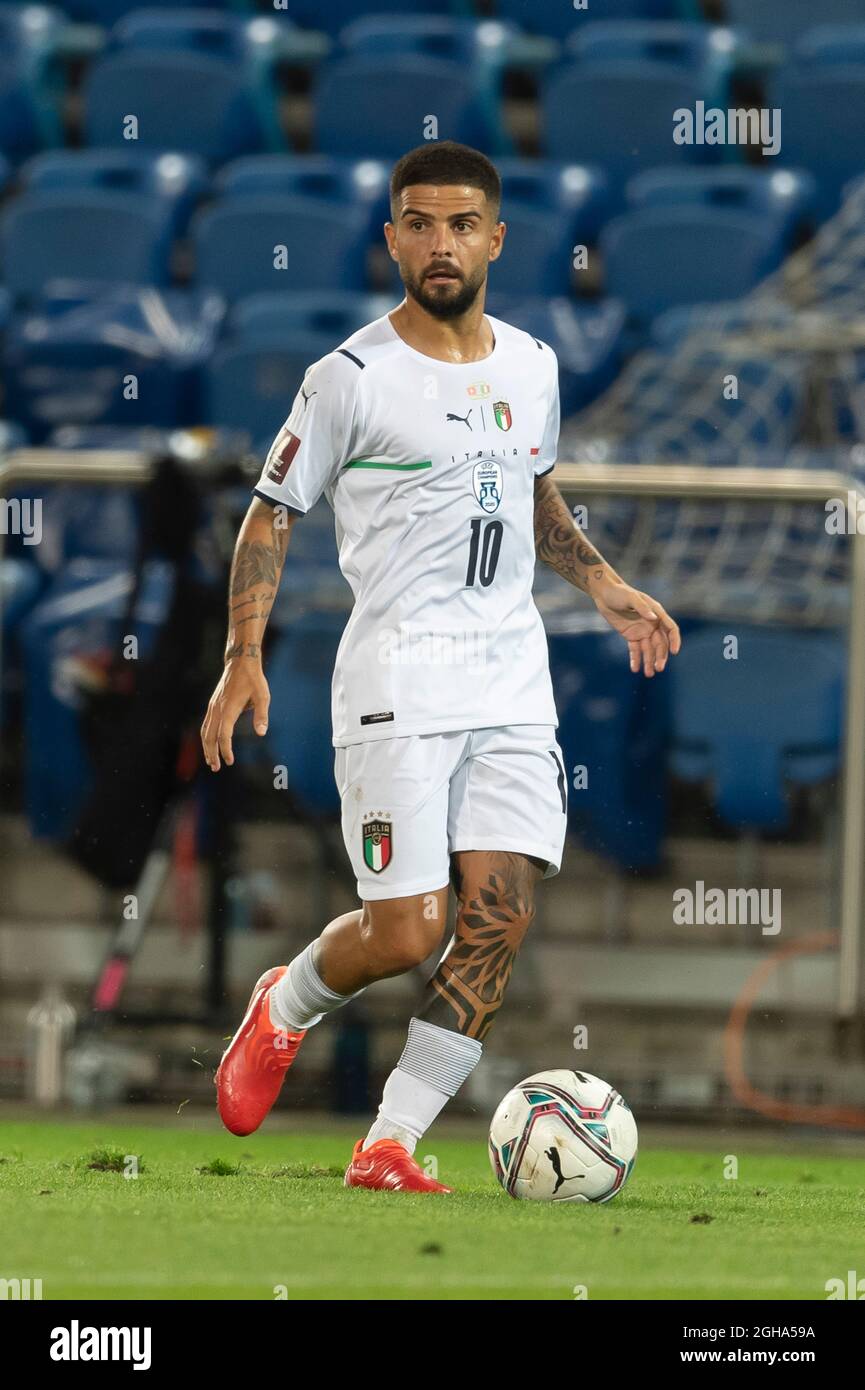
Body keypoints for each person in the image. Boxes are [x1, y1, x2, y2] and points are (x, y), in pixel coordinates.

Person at [200, 141, 681, 1193]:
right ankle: (285, 1003)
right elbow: (267, 518)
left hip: (510, 681)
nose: (440, 242)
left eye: (462, 224)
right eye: (419, 222)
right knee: (407, 930)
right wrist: (242, 656)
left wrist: (603, 586)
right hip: (395, 683)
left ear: (496, 238)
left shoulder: (533, 365)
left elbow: (533, 498)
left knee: (497, 917)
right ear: (391, 238)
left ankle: (389, 1144)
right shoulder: (348, 378)